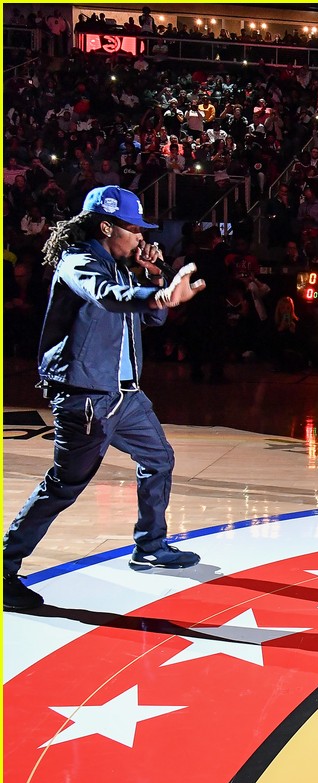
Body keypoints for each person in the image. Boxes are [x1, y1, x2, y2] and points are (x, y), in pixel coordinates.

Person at [4, 186, 206, 611]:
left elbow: (154, 316)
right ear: (106, 225)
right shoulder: (80, 261)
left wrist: (152, 276)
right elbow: (107, 297)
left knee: (159, 459)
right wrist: (158, 293)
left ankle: (150, 545)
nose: (140, 236)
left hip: (126, 396)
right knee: (64, 486)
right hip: (87, 397)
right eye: (133, 228)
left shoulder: (122, 265)